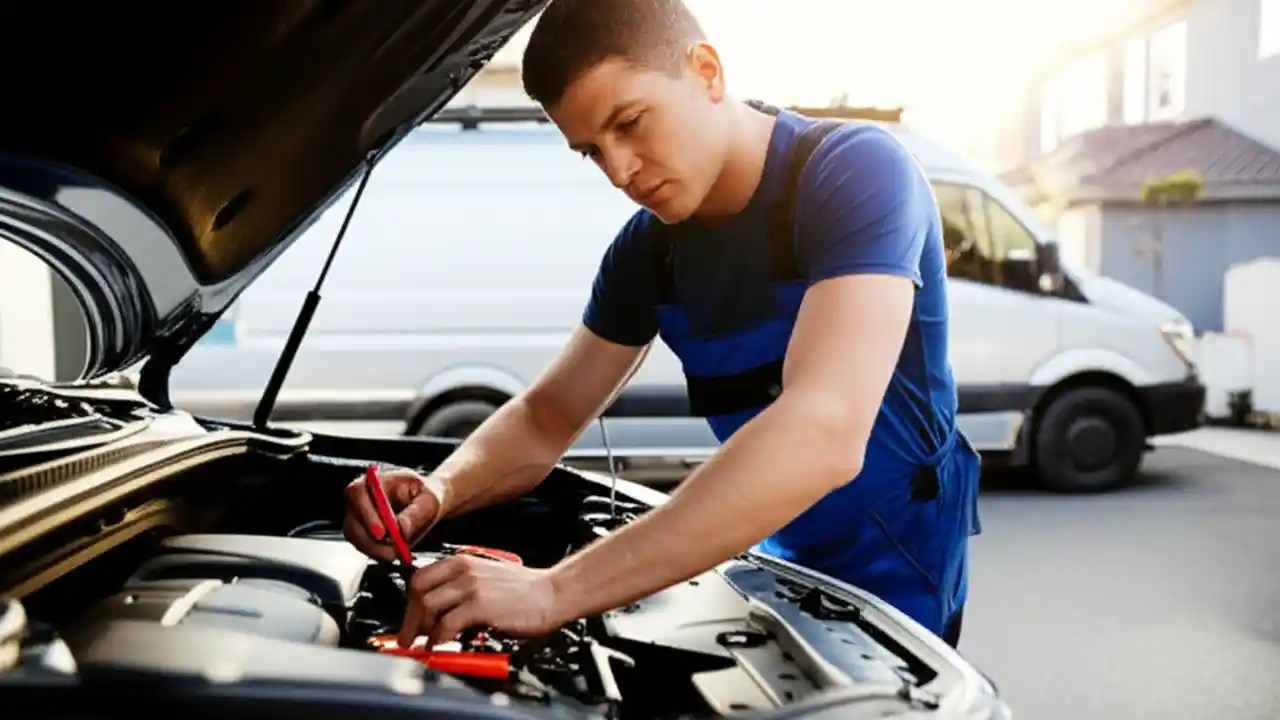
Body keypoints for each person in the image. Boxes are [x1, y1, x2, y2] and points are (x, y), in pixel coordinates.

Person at [343, 0, 982, 651]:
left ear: (707, 72)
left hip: (898, 575)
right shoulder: (649, 251)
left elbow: (822, 431)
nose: (619, 172)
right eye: (591, 151)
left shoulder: (855, 174)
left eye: (631, 123)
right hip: (768, 552)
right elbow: (547, 416)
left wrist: (553, 591)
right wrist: (441, 491)